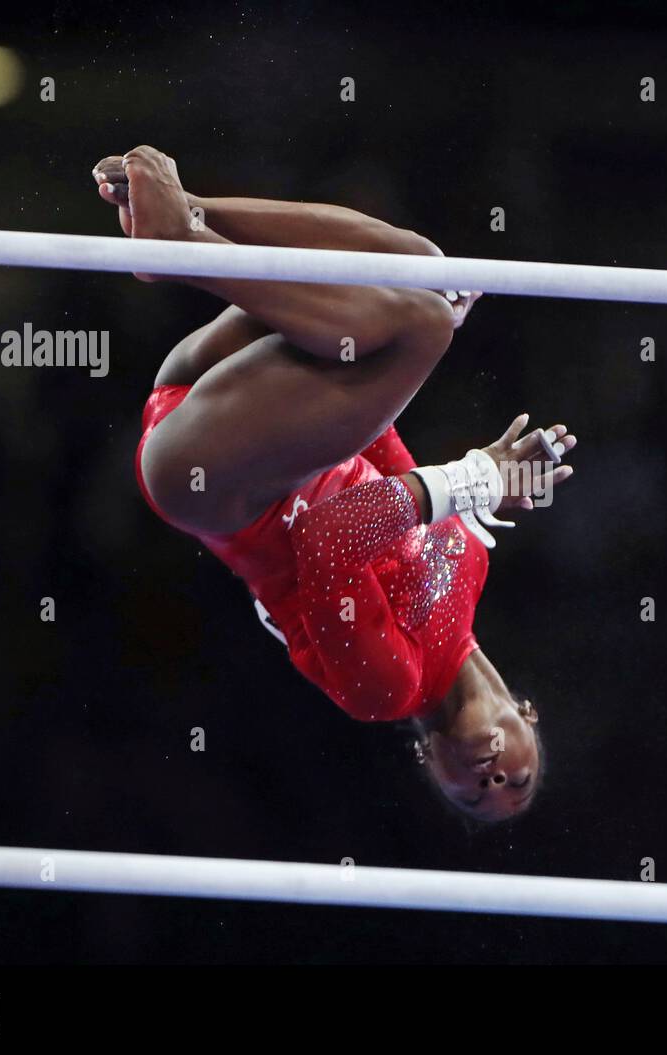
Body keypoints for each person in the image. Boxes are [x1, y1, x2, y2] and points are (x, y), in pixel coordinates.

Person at [94, 146, 576, 821]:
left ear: (428, 765)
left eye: (469, 795)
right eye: (516, 781)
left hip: (211, 478)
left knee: (424, 323)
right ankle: (187, 221)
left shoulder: (387, 689)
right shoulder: (469, 567)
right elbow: (373, 436)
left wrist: (471, 477)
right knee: (428, 274)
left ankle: (188, 244)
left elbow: (330, 533)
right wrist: (472, 481)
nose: (490, 780)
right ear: (529, 717)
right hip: (230, 407)